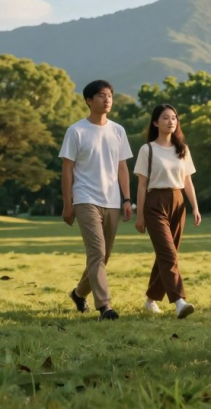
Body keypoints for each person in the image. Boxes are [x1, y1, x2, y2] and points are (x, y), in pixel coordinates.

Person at [60, 80, 134, 321]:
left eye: (110, 95)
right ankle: (105, 306)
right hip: (85, 199)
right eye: (102, 95)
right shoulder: (76, 131)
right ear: (89, 100)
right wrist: (67, 204)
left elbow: (122, 167)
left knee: (104, 256)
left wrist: (127, 198)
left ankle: (78, 293)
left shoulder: (118, 131)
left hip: (112, 200)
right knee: (97, 252)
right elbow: (67, 170)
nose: (107, 99)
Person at [133, 104, 202, 319]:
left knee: (167, 254)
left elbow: (188, 181)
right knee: (168, 253)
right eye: (165, 118)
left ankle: (151, 300)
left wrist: (195, 207)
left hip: (178, 201)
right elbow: (142, 185)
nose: (171, 121)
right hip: (155, 202)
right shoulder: (148, 150)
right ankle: (179, 301)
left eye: (174, 118)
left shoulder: (182, 149)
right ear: (155, 122)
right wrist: (140, 215)